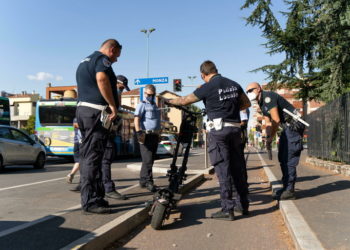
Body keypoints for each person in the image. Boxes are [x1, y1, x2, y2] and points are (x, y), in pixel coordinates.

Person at [168, 60, 251, 220]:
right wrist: (229, 107)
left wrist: (169, 101)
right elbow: (245, 104)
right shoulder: (234, 84)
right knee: (237, 168)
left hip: (218, 131)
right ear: (216, 70)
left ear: (203, 75)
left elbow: (185, 100)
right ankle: (243, 205)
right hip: (235, 129)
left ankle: (227, 209)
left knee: (223, 170)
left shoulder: (207, 87)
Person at [75, 39, 121, 214]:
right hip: (94, 112)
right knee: (92, 157)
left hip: (84, 111)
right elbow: (101, 78)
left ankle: (97, 197)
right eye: (116, 55)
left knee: (93, 155)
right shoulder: (102, 61)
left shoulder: (85, 60)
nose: (116, 60)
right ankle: (91, 201)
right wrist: (112, 105)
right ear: (112, 49)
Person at [246, 82, 305, 200]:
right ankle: (286, 187)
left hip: (293, 126)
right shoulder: (261, 104)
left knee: (289, 158)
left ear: (259, 89)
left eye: (251, 90)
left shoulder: (268, 97)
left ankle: (290, 190)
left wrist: (272, 136)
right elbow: (268, 123)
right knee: (282, 158)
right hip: (287, 128)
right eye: (247, 91)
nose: (249, 93)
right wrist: (268, 138)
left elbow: (276, 119)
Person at [101, 75, 129, 200]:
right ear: (116, 84)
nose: (121, 91)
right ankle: (108, 188)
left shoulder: (110, 94)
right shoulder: (110, 95)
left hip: (106, 131)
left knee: (100, 160)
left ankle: (95, 186)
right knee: (106, 160)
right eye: (121, 87)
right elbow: (109, 114)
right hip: (106, 132)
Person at [134, 84, 161, 192]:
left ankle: (143, 181)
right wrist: (138, 132)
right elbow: (136, 118)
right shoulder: (142, 104)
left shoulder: (155, 105)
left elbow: (157, 121)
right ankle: (149, 181)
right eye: (149, 94)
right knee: (148, 159)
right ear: (145, 94)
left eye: (153, 94)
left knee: (150, 160)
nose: (151, 96)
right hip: (145, 135)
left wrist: (159, 134)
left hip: (154, 135)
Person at [66, 118, 81, 184]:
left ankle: (72, 175)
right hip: (81, 142)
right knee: (81, 161)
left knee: (78, 161)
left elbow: (75, 125)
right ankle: (72, 174)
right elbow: (75, 125)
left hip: (77, 142)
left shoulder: (76, 118)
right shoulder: (78, 118)